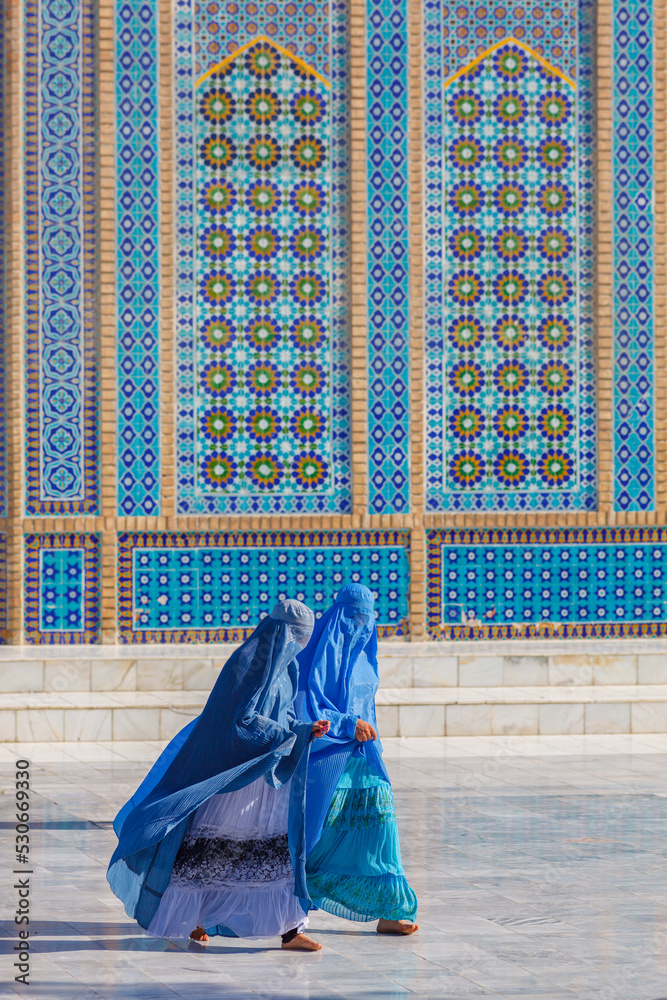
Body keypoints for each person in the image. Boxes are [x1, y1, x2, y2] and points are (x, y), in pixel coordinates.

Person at [107, 599, 330, 951]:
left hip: (266, 779)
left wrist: (303, 731)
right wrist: (286, 736)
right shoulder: (247, 665)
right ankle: (193, 920)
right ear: (283, 632)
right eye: (298, 636)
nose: (300, 644)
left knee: (272, 853)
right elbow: (237, 721)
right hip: (232, 776)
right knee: (213, 853)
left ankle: (290, 930)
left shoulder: (287, 669)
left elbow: (283, 717)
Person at [294, 583, 418, 935]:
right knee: (317, 835)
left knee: (380, 824)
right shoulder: (316, 658)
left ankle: (390, 910)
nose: (360, 626)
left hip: (362, 759)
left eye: (367, 619)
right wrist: (348, 724)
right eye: (353, 617)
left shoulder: (365, 659)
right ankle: (291, 903)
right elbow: (309, 707)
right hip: (326, 758)